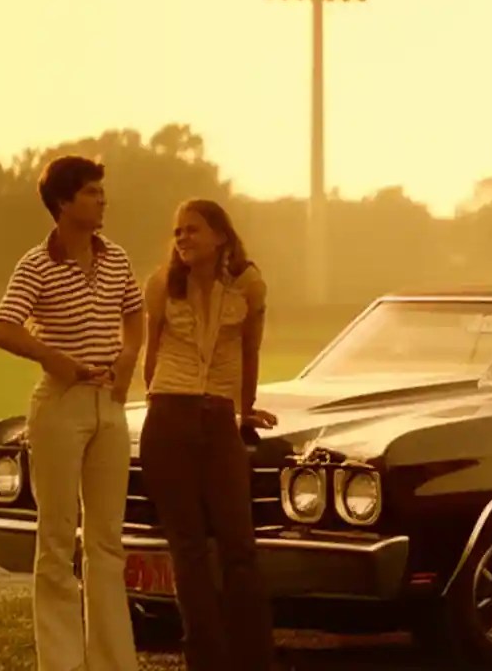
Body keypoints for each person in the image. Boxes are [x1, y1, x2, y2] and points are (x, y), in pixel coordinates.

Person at [0, 155, 141, 671]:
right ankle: (61, 662)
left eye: (102, 190)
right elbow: (4, 328)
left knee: (106, 542)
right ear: (63, 202)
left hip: (109, 407)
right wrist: (56, 360)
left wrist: (127, 360)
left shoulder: (115, 256)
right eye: (92, 192)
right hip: (59, 406)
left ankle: (113, 661)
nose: (102, 199)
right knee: (56, 539)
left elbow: (135, 315)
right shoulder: (37, 263)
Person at [140, 199, 278, 671]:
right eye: (177, 231)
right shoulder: (161, 284)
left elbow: (251, 350)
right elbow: (150, 358)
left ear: (221, 235)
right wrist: (163, 399)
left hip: (218, 415)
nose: (182, 239)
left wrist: (244, 409)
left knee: (238, 543)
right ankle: (205, 658)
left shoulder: (248, 285)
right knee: (189, 548)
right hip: (169, 415)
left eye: (193, 230)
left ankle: (254, 657)